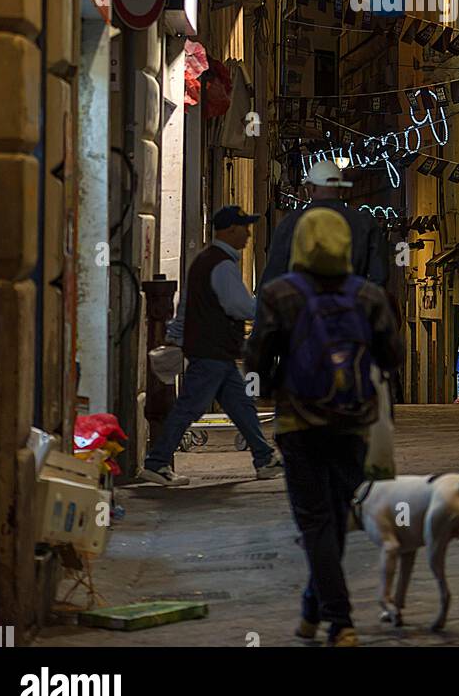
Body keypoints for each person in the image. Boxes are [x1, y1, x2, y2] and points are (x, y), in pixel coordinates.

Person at [245, 206, 402, 646]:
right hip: (353, 423)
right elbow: (392, 356)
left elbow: (257, 356)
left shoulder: (279, 294)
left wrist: (269, 388)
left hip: (299, 422)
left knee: (316, 521)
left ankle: (339, 619)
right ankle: (313, 611)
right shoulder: (368, 297)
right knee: (335, 518)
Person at [138, 206, 283, 485]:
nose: (249, 234)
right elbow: (239, 306)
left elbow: (186, 308)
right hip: (211, 352)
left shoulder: (203, 261)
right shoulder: (222, 265)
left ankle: (264, 459)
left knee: (241, 406)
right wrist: (270, 307)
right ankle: (156, 463)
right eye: (244, 228)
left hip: (215, 352)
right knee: (189, 408)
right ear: (230, 230)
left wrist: (177, 336)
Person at [259, 159, 389, 291]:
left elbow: (273, 276)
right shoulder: (364, 223)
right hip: (348, 306)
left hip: (303, 308)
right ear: (341, 189)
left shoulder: (291, 223)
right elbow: (379, 275)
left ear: (311, 188)